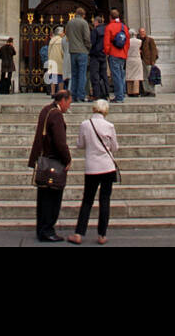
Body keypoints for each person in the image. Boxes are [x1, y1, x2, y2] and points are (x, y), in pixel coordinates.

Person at [70, 98, 119, 244]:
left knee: (87, 200)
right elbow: (115, 147)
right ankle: (102, 234)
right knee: (105, 200)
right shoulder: (110, 126)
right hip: (107, 167)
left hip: (92, 167)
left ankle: (79, 233)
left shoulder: (85, 124)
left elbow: (80, 144)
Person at [27, 89, 72, 242]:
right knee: (52, 198)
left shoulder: (46, 110)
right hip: (52, 161)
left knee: (43, 198)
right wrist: (67, 159)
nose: (69, 107)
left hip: (43, 160)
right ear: (63, 101)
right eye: (69, 103)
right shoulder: (56, 114)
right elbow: (60, 142)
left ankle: (42, 228)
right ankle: (48, 230)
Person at [66, 7, 92, 102]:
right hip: (82, 51)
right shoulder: (84, 23)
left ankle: (73, 95)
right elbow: (87, 37)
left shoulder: (70, 22)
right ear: (83, 15)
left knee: (74, 74)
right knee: (82, 74)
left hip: (73, 51)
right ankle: (81, 95)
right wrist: (89, 47)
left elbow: (67, 34)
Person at [104, 8, 129, 103]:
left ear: (110, 17)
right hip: (122, 54)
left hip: (113, 53)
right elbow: (127, 42)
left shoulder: (109, 27)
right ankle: (122, 94)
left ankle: (119, 96)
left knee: (116, 75)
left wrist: (107, 52)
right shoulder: (124, 27)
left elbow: (106, 43)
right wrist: (125, 52)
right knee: (121, 74)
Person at [88, 14, 108, 101]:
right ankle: (106, 93)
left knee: (95, 75)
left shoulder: (95, 31)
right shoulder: (106, 30)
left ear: (96, 22)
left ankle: (96, 94)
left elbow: (92, 43)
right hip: (104, 55)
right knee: (104, 75)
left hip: (95, 55)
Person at [138, 27, 158, 97]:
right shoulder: (139, 41)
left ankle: (152, 91)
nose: (142, 33)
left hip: (149, 60)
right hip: (141, 60)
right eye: (141, 32)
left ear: (145, 32)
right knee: (144, 76)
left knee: (150, 76)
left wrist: (153, 60)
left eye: (143, 31)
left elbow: (154, 50)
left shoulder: (150, 40)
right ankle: (146, 90)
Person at [47, 25, 66, 95]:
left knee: (53, 78)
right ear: (60, 33)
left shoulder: (51, 40)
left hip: (52, 61)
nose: (64, 34)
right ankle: (60, 93)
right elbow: (63, 51)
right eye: (63, 32)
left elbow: (48, 51)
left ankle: (52, 92)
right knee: (60, 78)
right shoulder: (62, 40)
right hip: (59, 61)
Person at [124, 28, 143, 97]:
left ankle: (130, 91)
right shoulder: (139, 41)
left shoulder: (127, 41)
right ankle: (136, 91)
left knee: (129, 75)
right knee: (136, 76)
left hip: (129, 59)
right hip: (137, 58)